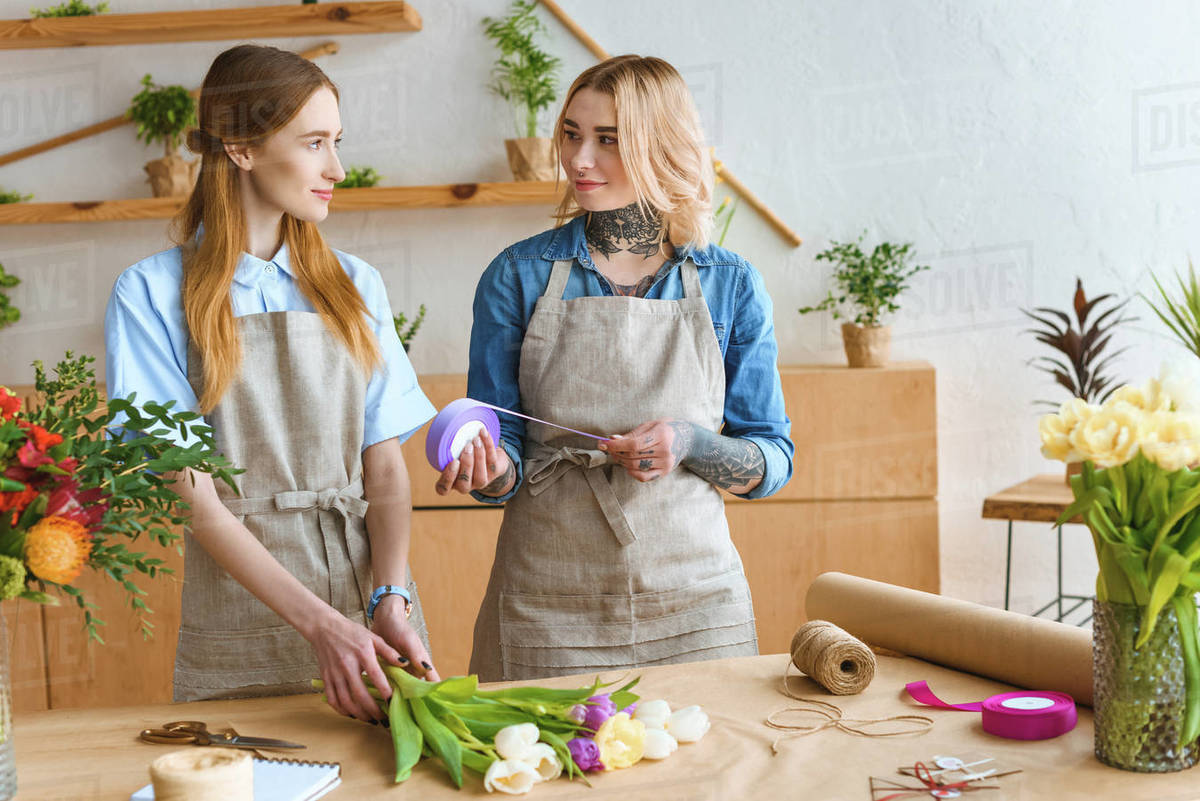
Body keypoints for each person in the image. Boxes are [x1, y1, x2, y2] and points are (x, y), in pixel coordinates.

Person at [104, 44, 438, 720]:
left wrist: (388, 599)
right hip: (237, 621)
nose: (336, 169)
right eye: (314, 142)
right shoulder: (149, 293)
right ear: (241, 149)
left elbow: (385, 471)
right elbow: (197, 501)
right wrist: (322, 626)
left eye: (336, 142)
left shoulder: (356, 283)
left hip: (370, 613)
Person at [437, 55, 794, 681]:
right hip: (547, 605)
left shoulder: (731, 285)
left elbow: (771, 461)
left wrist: (686, 442)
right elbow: (505, 458)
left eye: (608, 140)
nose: (579, 159)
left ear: (662, 147)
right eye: (572, 134)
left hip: (695, 604)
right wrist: (488, 467)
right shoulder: (516, 276)